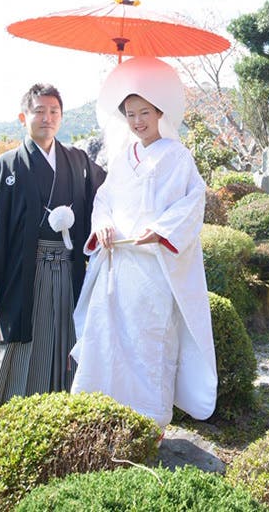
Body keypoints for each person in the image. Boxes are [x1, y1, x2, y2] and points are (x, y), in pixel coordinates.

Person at [70, 56, 217, 427]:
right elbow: (104, 199)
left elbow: (193, 199)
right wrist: (102, 224)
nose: (138, 121)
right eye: (131, 114)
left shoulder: (178, 156)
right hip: (117, 267)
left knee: (150, 342)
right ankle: (105, 419)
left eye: (145, 112)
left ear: (159, 112)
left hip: (154, 268)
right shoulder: (122, 158)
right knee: (108, 342)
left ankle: (150, 424)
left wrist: (164, 230)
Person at [0, 83, 106, 428]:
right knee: (19, 342)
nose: (47, 118)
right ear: (24, 117)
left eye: (54, 112)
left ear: (61, 118)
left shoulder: (78, 160)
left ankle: (63, 422)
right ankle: (7, 424)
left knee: (67, 339)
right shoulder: (6, 166)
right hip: (23, 273)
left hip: (68, 269)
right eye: (40, 111)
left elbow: (106, 197)